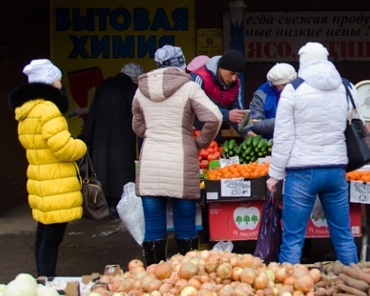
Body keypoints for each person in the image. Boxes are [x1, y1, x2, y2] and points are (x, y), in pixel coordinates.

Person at [266, 42, 359, 266]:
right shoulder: (347, 87)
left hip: (301, 172)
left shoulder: (293, 89)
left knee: (293, 238)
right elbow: (359, 125)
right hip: (336, 169)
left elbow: (283, 137)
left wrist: (275, 174)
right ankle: (357, 284)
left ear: (302, 62)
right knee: (343, 235)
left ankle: (289, 290)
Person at [132, 45, 222, 265]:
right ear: (182, 64)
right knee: (185, 225)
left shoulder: (140, 90)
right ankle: (186, 278)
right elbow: (215, 118)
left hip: (150, 163)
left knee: (153, 226)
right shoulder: (189, 88)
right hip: (181, 165)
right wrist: (199, 143)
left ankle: (153, 277)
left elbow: (137, 126)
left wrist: (152, 134)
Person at [9, 59, 87, 277]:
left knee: (44, 232)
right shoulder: (48, 109)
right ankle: (47, 282)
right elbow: (62, 147)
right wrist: (81, 144)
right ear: (50, 82)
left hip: (40, 178)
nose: (61, 85)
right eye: (58, 80)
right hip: (56, 181)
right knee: (52, 237)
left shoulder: (27, 110)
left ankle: (41, 278)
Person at [80, 62, 143, 213]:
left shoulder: (104, 86)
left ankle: (103, 203)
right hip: (123, 138)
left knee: (103, 168)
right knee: (122, 170)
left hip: (100, 138)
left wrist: (85, 137)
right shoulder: (131, 89)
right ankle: (118, 204)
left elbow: (93, 113)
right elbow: (140, 114)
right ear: (135, 78)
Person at [190, 49, 248, 132]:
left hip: (214, 134)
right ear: (221, 68)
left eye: (237, 75)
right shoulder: (199, 78)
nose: (233, 78)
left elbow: (236, 113)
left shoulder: (236, 84)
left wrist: (246, 132)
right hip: (194, 132)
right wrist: (227, 115)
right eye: (231, 73)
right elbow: (195, 105)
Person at [243, 62, 297, 139]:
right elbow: (255, 123)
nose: (287, 88)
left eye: (290, 84)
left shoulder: (300, 92)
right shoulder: (261, 95)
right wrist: (279, 122)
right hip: (269, 142)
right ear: (274, 85)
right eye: (283, 85)